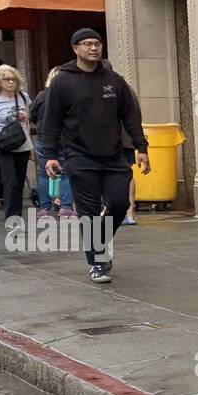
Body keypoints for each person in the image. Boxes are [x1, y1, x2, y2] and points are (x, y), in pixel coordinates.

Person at [40, 28, 150, 284]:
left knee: (120, 204)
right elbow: (51, 121)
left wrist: (141, 147)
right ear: (75, 49)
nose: (93, 48)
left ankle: (98, 242)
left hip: (113, 156)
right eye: (87, 44)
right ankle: (97, 263)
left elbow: (130, 116)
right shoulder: (62, 81)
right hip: (79, 156)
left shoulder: (114, 80)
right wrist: (50, 155)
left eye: (97, 43)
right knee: (88, 214)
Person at [0, 65, 33, 225]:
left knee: (18, 184)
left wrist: (30, 145)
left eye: (13, 79)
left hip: (22, 146)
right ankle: (12, 220)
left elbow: (26, 122)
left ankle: (16, 216)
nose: (11, 82)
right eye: (6, 79)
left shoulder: (23, 97)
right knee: (10, 182)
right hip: (4, 148)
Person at [29, 67, 75, 220]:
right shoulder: (70, 95)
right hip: (64, 139)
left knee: (43, 173)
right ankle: (66, 207)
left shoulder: (42, 96)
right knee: (65, 173)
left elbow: (33, 115)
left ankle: (43, 207)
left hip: (44, 138)